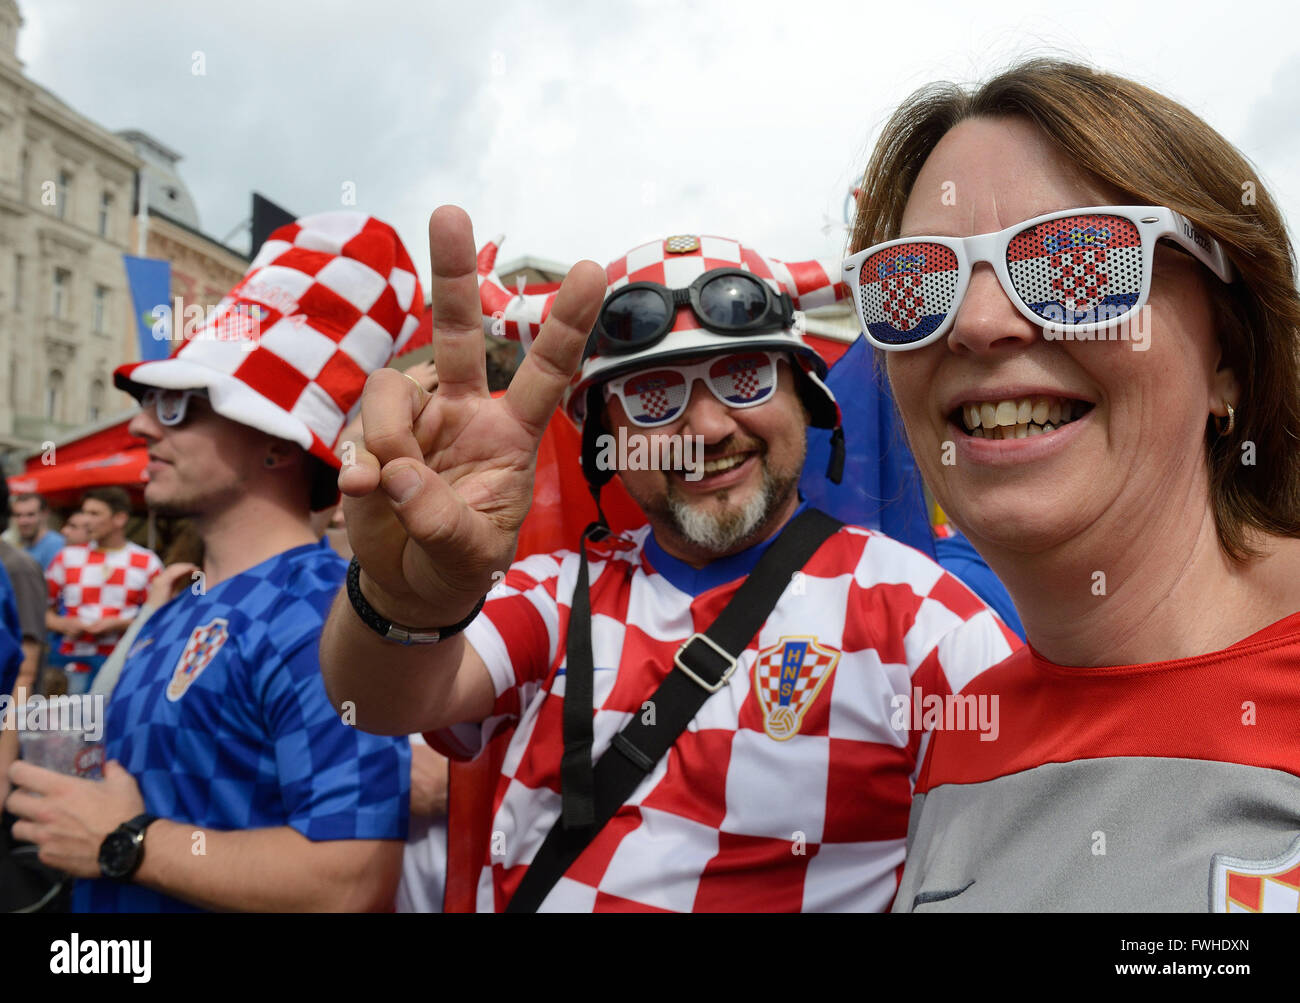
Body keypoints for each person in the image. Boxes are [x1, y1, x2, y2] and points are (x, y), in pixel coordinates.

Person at [320, 208, 1021, 913]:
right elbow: (384, 701)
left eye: (744, 376)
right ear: (607, 437)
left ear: (807, 396)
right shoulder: (555, 592)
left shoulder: (919, 615)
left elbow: (1032, 840)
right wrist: (403, 596)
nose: (709, 428)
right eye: (655, 397)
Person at [841, 59, 1300, 912]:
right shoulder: (962, 736)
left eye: (1080, 260)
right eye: (914, 282)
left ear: (1229, 357)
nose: (978, 324)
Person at [5, 211, 422, 912]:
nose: (140, 424)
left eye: (178, 405)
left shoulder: (325, 615)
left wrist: (125, 841)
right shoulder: (180, 604)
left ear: (277, 443)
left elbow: (352, 878)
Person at [44, 488, 162, 695]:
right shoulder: (67, 557)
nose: (86, 520)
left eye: (95, 514)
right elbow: (41, 612)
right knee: (72, 726)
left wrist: (121, 624)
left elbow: (160, 619)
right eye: (84, 512)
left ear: (120, 518)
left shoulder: (147, 562)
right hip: (72, 664)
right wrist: (63, 624)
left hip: (124, 664)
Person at [9, 494, 64, 569]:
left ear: (45, 514)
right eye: (18, 515)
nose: (23, 521)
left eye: (30, 515)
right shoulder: (23, 546)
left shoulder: (56, 545)